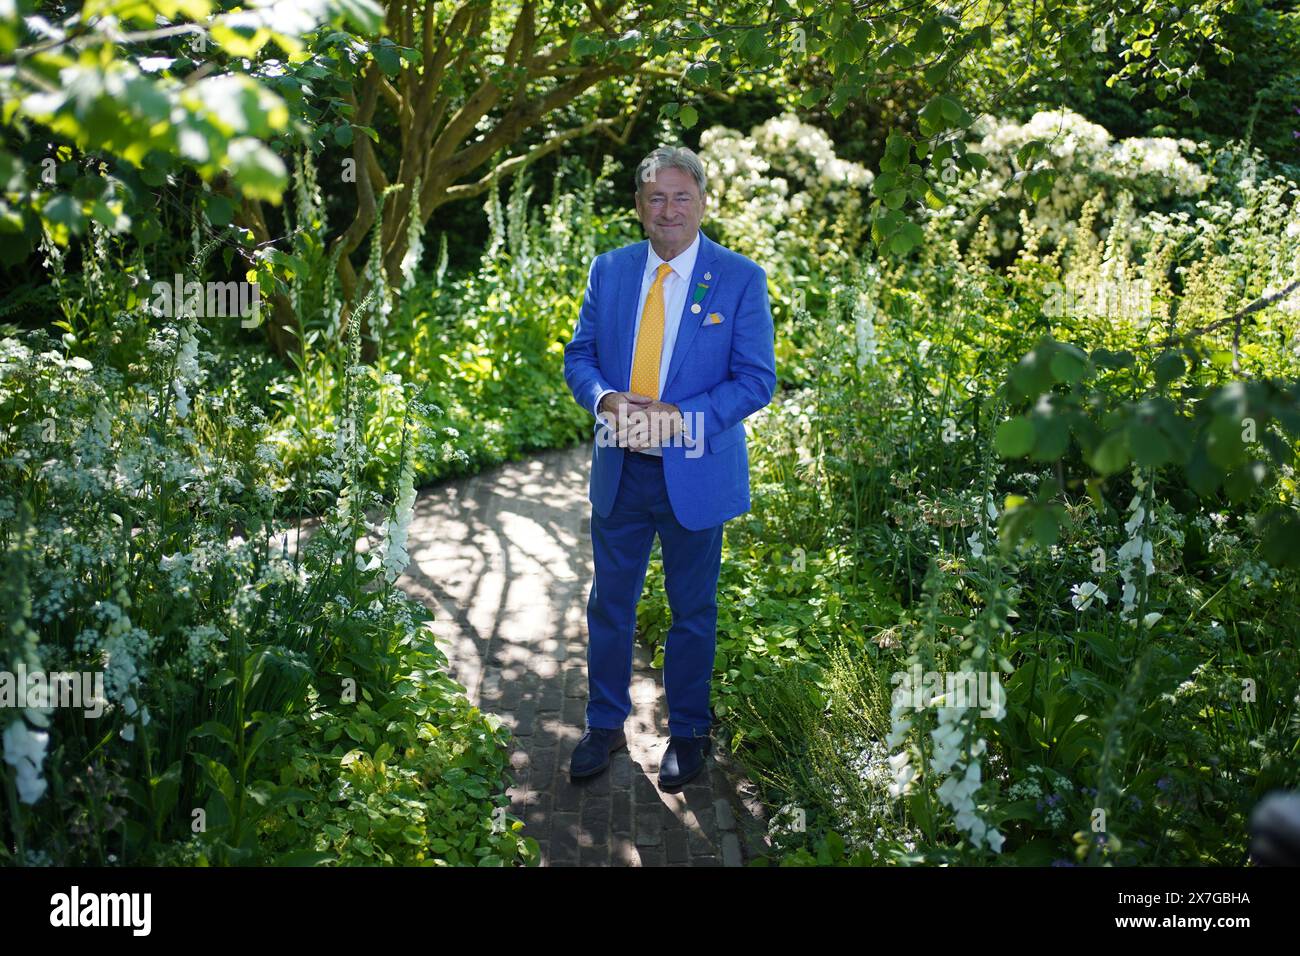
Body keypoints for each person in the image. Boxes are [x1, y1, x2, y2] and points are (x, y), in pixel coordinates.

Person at [562, 145, 777, 790]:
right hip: (621, 470)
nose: (669, 209)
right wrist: (603, 397)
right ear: (638, 206)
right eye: (655, 197)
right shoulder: (611, 270)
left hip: (694, 473)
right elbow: (580, 357)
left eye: (681, 196)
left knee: (692, 611)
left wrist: (680, 418)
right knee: (610, 605)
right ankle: (604, 725)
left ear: (703, 202)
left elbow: (755, 381)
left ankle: (688, 732)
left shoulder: (739, 278)